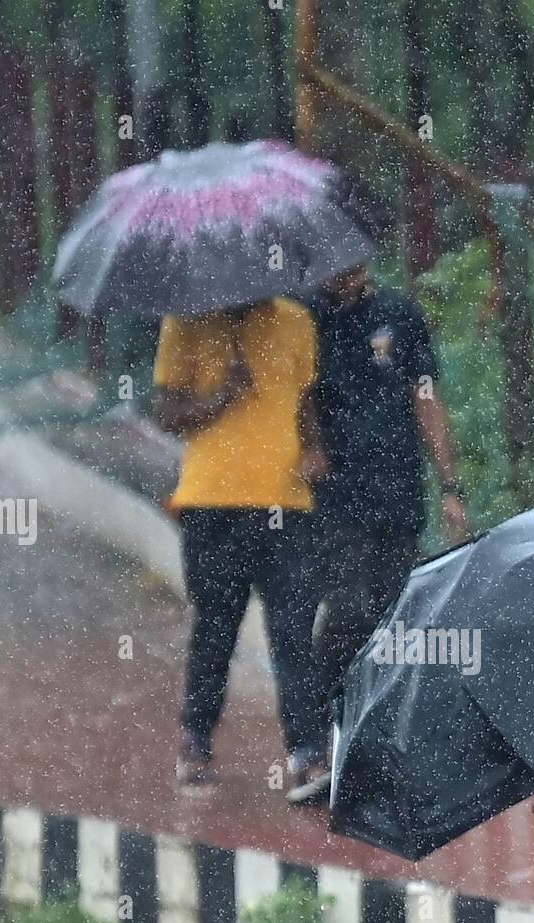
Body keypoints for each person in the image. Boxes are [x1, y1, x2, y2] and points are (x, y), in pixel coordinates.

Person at [287, 264, 469, 804]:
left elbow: (426, 399)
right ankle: (315, 740)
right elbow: (299, 396)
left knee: (395, 619)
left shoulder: (400, 315)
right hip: (339, 497)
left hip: (400, 494)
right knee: (345, 609)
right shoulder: (307, 320)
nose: (344, 270)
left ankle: (380, 747)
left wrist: (451, 485)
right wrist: (310, 444)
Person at [151, 298, 329, 788]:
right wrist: (219, 398)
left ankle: (306, 751)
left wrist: (315, 449)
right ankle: (196, 738)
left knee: (293, 632)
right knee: (215, 628)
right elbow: (165, 411)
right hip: (213, 503)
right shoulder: (184, 320)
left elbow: (305, 402)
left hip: (287, 504)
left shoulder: (296, 321)